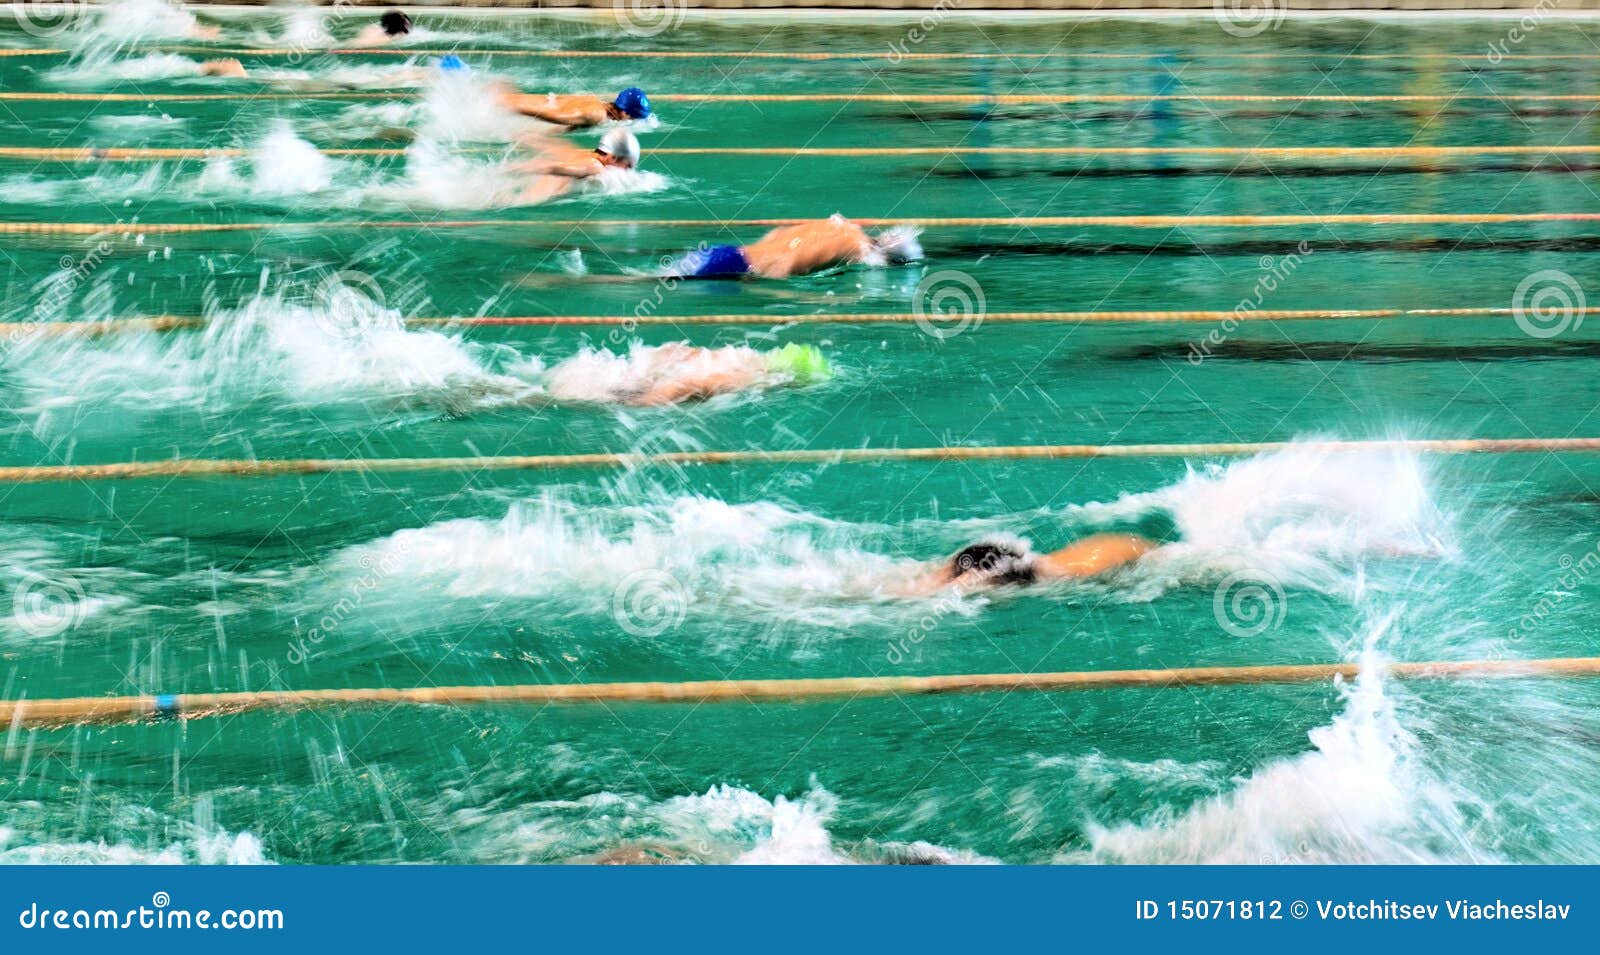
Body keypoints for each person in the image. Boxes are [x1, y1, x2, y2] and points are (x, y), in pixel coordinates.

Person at [545, 342, 833, 406]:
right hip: (622, 391)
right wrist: (641, 403)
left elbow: (676, 352)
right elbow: (691, 383)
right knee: (531, 401)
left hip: (609, 372)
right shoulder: (744, 377)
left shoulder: (742, 354)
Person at [673, 214, 923, 280]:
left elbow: (779, 236)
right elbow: (787, 264)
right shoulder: (858, 250)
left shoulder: (842, 224)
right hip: (737, 271)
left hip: (725, 253)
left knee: (653, 279)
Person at [897, 534, 1156, 595]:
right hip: (1125, 548)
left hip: (1129, 552)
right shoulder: (1056, 572)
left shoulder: (1078, 571)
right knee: (930, 588)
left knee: (927, 588)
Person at [510, 128, 641, 204]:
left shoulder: (577, 153)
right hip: (524, 201)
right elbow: (552, 167)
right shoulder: (594, 166)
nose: (627, 171)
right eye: (627, 166)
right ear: (613, 157)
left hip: (523, 194)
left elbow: (540, 142)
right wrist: (509, 171)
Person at [497, 85, 652, 128]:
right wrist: (510, 108)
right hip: (511, 106)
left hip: (520, 100)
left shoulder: (596, 102)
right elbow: (554, 116)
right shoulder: (597, 114)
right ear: (624, 113)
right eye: (632, 117)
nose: (631, 120)